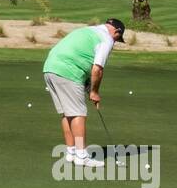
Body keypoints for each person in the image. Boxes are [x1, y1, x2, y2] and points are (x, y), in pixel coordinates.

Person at [42, 18, 124, 165]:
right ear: (116, 31)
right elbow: (97, 69)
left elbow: (81, 57)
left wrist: (87, 85)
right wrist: (94, 92)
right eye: (118, 38)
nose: (116, 42)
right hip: (68, 71)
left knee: (67, 113)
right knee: (78, 113)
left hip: (50, 68)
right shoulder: (107, 39)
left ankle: (71, 153)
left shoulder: (88, 30)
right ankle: (82, 157)